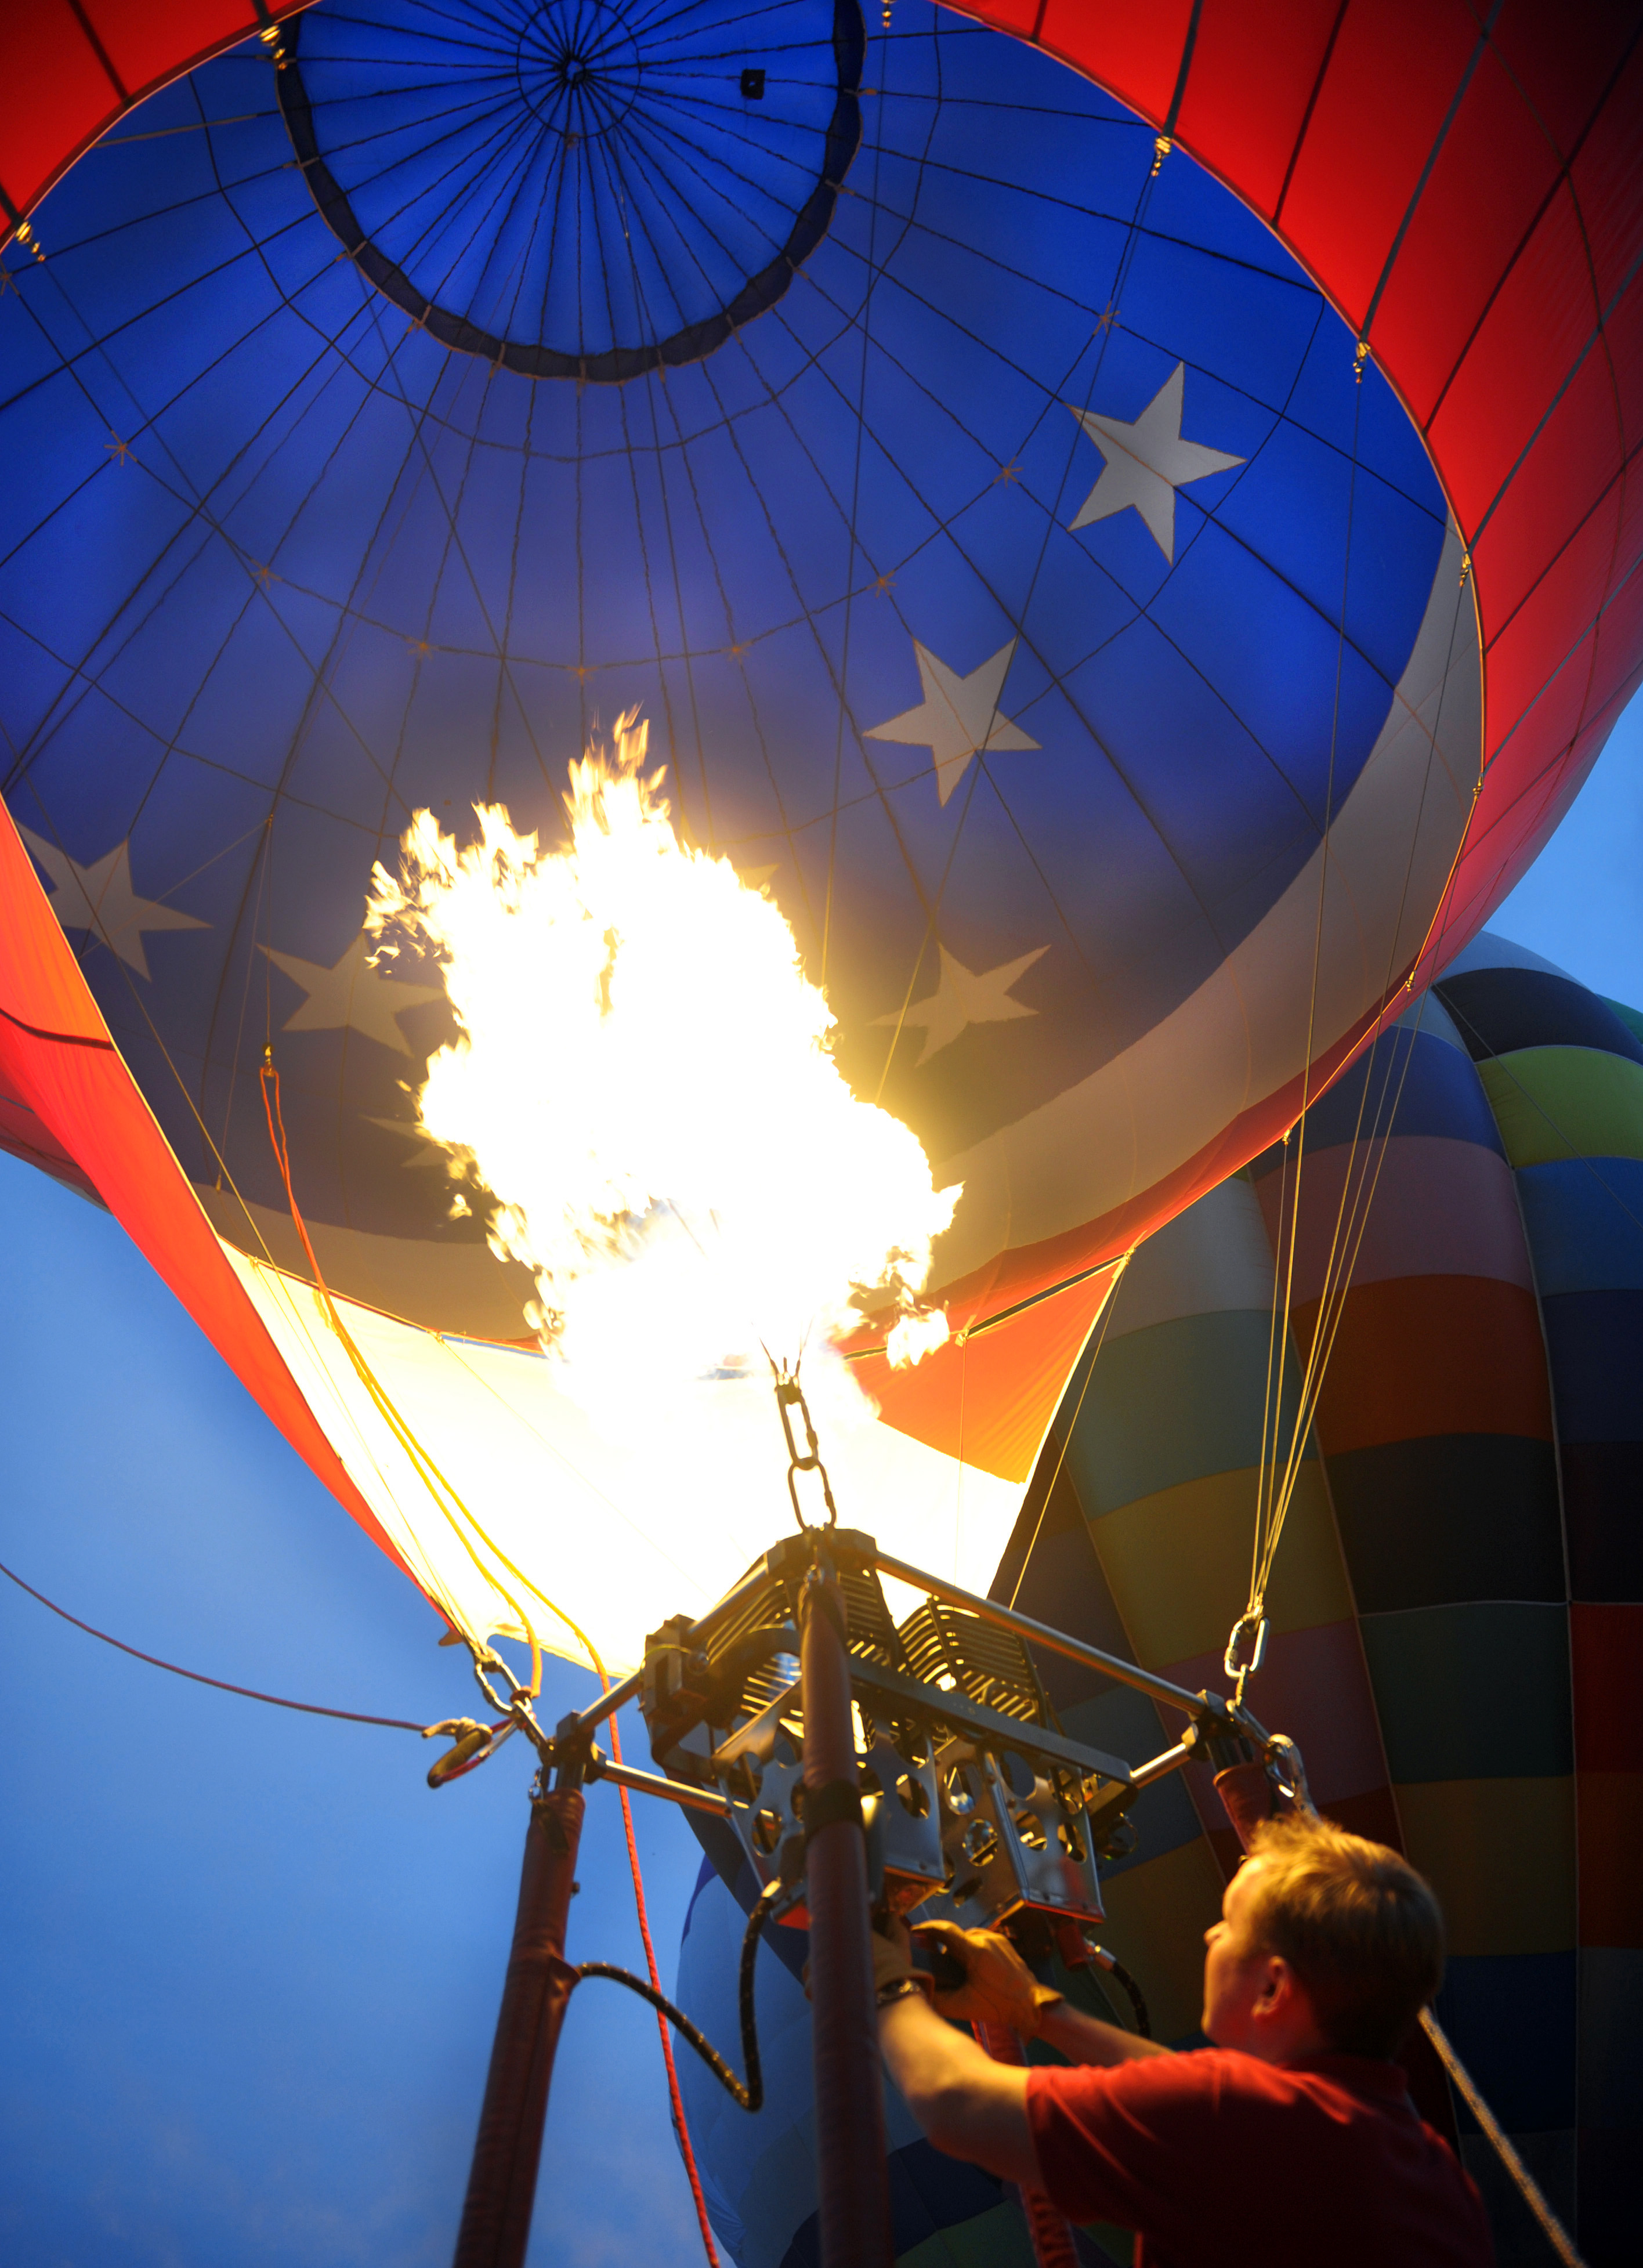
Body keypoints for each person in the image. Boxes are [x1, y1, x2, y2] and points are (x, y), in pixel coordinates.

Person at [874, 1811, 1494, 2266]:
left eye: (1227, 1925)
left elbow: (955, 2104)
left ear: (1273, 1989)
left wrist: (884, 1981)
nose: (1208, 1938)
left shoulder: (1234, 2115)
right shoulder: (1439, 2177)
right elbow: (1196, 2112)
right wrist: (1039, 2011)